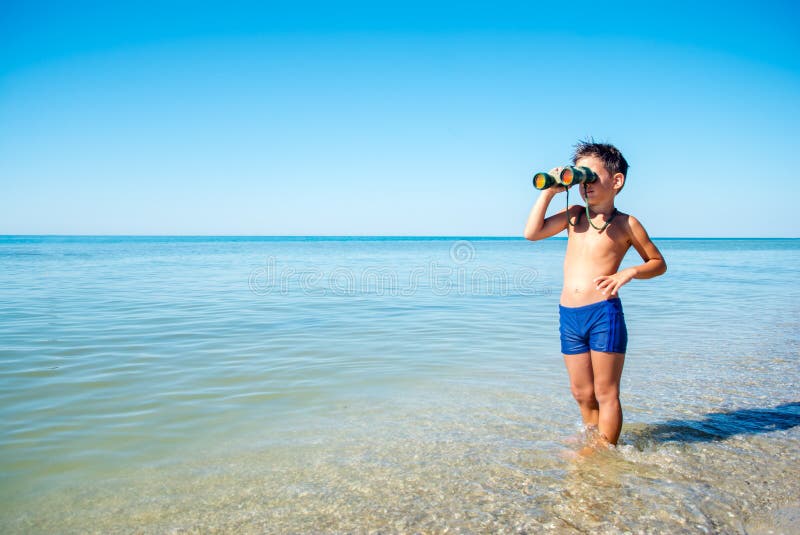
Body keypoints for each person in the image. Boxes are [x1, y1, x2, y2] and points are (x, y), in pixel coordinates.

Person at [523, 140, 667, 449]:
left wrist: (627, 273)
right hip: (569, 314)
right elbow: (532, 233)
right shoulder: (575, 215)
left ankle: (605, 452)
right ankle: (593, 439)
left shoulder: (627, 224)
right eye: (580, 177)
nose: (585, 184)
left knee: (606, 393)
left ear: (616, 181)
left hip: (603, 313)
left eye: (591, 176)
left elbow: (658, 264)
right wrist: (548, 192)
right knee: (581, 393)